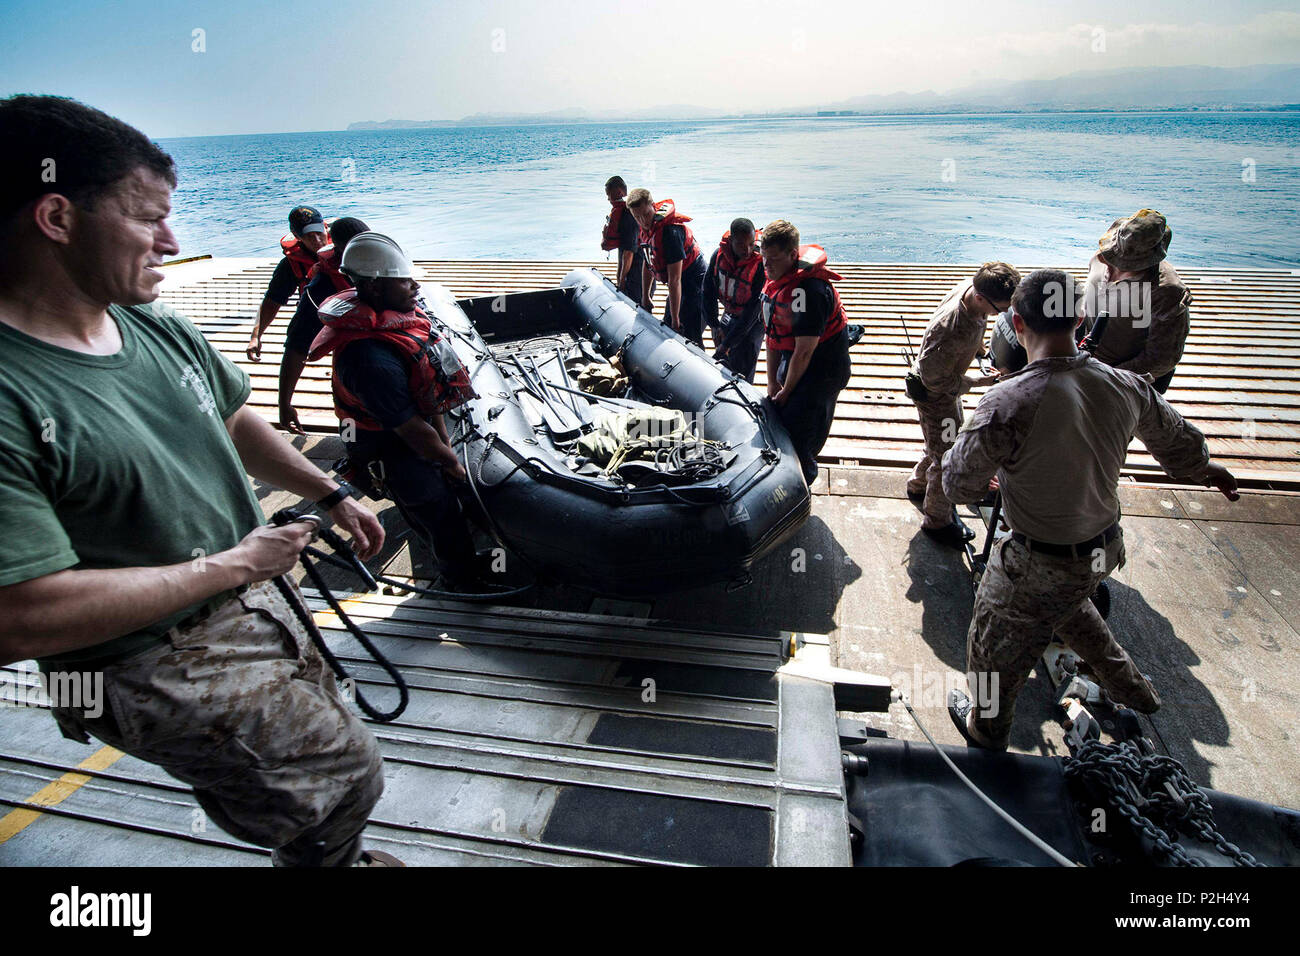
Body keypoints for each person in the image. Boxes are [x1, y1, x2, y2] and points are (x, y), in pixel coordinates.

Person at [0, 95, 398, 866]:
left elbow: (228, 419)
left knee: (330, 762)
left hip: (250, 596)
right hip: (147, 653)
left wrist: (330, 491)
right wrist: (237, 563)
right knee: (340, 780)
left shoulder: (152, 323)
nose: (171, 240)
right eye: (149, 219)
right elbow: (17, 617)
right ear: (57, 217)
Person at [942, 269, 1239, 750]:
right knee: (1069, 607)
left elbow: (957, 484)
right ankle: (1136, 692)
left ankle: (985, 731)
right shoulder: (1128, 385)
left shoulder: (1006, 401)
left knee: (990, 650)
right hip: (1101, 553)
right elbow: (1182, 447)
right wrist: (1211, 471)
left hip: (1038, 560)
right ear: (1081, 320)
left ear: (1016, 324)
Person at [307, 232, 482, 590]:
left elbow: (428, 402)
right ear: (372, 288)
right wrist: (450, 463)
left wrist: (445, 442)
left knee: (436, 492)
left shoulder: (397, 316)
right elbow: (410, 429)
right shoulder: (368, 359)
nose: (414, 286)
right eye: (404, 281)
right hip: (385, 441)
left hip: (409, 421)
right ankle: (462, 583)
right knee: (436, 507)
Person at [905, 262, 1020, 549]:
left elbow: (975, 329)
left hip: (946, 391)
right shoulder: (950, 329)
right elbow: (933, 380)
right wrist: (976, 383)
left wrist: (978, 349)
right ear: (981, 298)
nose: (1002, 314)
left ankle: (918, 486)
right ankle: (936, 521)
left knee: (941, 445)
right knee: (946, 460)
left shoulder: (971, 293)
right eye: (1000, 308)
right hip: (936, 399)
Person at [759, 220, 852, 484]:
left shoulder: (808, 292)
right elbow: (773, 335)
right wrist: (772, 382)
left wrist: (786, 391)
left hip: (823, 368)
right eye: (764, 258)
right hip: (796, 359)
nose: (766, 266)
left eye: (773, 260)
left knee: (803, 432)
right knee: (782, 415)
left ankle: (804, 478)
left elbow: (804, 351)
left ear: (792, 255)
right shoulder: (778, 282)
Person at [1080, 209, 1190, 394]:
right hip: (1084, 359)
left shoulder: (1167, 291)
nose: (1116, 262)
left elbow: (1162, 359)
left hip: (1124, 383)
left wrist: (1107, 378)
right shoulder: (1099, 258)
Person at [278, 216, 370, 434]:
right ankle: (353, 454)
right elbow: (296, 346)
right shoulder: (321, 287)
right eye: (359, 249)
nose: (368, 254)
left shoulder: (387, 267)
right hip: (352, 373)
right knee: (352, 430)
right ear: (341, 252)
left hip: (391, 366)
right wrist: (284, 404)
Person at [245, 204, 330, 362]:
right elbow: (272, 301)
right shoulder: (290, 265)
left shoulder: (344, 243)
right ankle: (286, 387)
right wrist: (256, 336)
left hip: (350, 308)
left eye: (320, 233)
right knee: (296, 335)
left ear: (325, 226)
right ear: (297, 236)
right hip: (316, 310)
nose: (318, 241)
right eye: (310, 236)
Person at [627, 188, 707, 347]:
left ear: (653, 206)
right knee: (668, 322)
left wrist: (677, 321)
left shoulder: (670, 233)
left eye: (646, 214)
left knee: (687, 329)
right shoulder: (645, 230)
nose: (643, 221)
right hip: (678, 279)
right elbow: (648, 262)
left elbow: (674, 280)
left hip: (694, 280)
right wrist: (645, 296)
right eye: (637, 217)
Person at [702, 218, 766, 382]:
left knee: (744, 365)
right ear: (730, 241)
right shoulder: (718, 256)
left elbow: (753, 310)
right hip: (730, 312)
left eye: (751, 244)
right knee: (723, 358)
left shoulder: (760, 265)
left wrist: (728, 344)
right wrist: (714, 325)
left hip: (753, 321)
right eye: (741, 244)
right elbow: (707, 292)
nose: (748, 250)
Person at [600, 175, 643, 306]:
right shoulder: (622, 211)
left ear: (619, 192)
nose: (608, 199)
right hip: (629, 266)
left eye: (609, 195)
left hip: (637, 271)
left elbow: (628, 253)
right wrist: (619, 278)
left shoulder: (628, 214)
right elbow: (623, 251)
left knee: (638, 305)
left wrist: (622, 280)